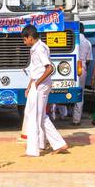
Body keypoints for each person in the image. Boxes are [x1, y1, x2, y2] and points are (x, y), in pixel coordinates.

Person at [22, 24, 68, 157]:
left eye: (25, 40)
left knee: (34, 117)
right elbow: (36, 69)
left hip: (40, 85)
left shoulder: (39, 49)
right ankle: (57, 143)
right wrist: (30, 84)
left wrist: (37, 83)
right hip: (38, 84)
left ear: (30, 37)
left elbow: (49, 68)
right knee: (40, 116)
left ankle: (33, 149)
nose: (24, 43)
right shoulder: (37, 47)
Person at [71, 29, 94, 125]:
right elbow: (88, 59)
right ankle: (76, 120)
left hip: (66, 69)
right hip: (81, 69)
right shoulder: (87, 42)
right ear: (83, 30)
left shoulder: (69, 38)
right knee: (80, 94)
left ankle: (55, 114)